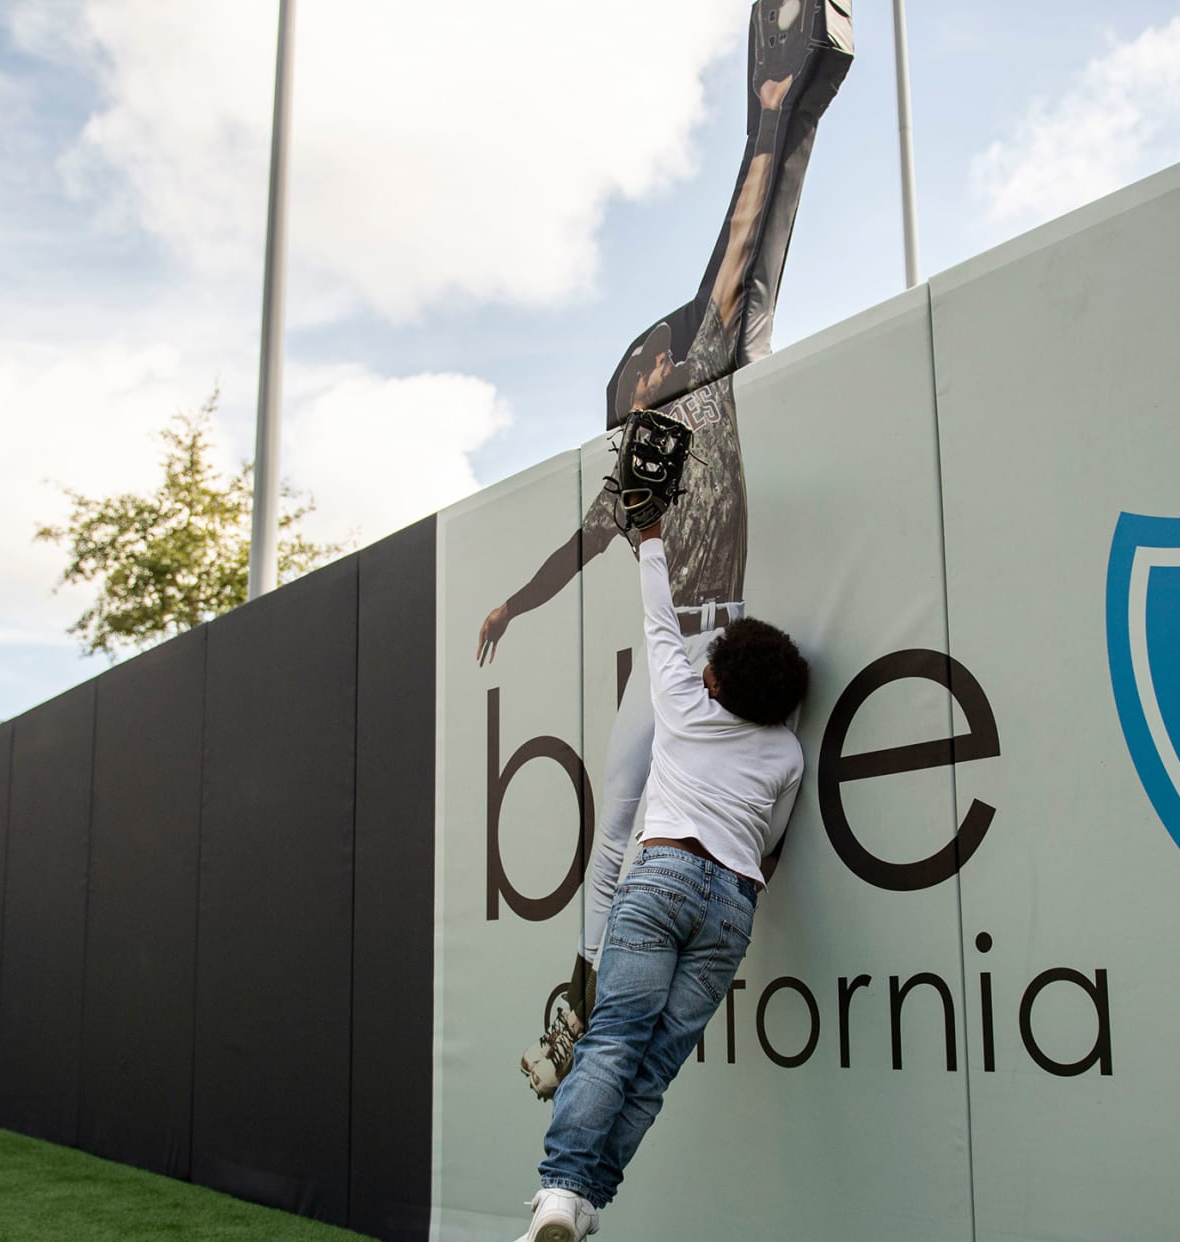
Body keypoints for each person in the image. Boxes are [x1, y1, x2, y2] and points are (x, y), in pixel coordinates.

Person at [477, 0, 853, 1009]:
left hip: (721, 650)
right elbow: (578, 545)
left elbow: (743, 254)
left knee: (697, 817)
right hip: (679, 661)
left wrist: (780, 107)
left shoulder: (703, 391)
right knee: (614, 821)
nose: (657, 358)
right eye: (642, 362)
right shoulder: (644, 453)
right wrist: (514, 604)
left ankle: (678, 935)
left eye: (659, 353)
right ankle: (590, 986)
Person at [521, 518, 809, 1242]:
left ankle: (559, 1192)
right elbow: (768, 846)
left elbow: (659, 615)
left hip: (663, 880)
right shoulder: (787, 754)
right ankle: (584, 1207)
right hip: (731, 909)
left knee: (613, 1041)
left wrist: (650, 536)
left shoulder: (683, 704)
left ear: (712, 680)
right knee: (652, 1069)